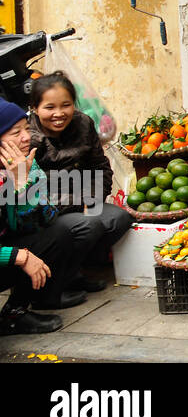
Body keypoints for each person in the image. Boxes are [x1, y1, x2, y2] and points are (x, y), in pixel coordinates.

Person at [0, 99, 100, 334]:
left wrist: (21, 187)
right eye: (16, 133)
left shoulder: (27, 166)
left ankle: (15, 313)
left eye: (26, 129)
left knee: (58, 233)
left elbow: (45, 219)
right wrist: (20, 256)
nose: (26, 137)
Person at [29, 72, 131, 284]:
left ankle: (74, 271)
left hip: (82, 200)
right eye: (49, 107)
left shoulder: (83, 123)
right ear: (35, 109)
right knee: (89, 224)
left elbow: (99, 166)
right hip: (45, 213)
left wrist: (92, 200)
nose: (58, 113)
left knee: (118, 219)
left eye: (65, 105)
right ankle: (54, 281)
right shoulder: (28, 137)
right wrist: (79, 205)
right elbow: (29, 189)